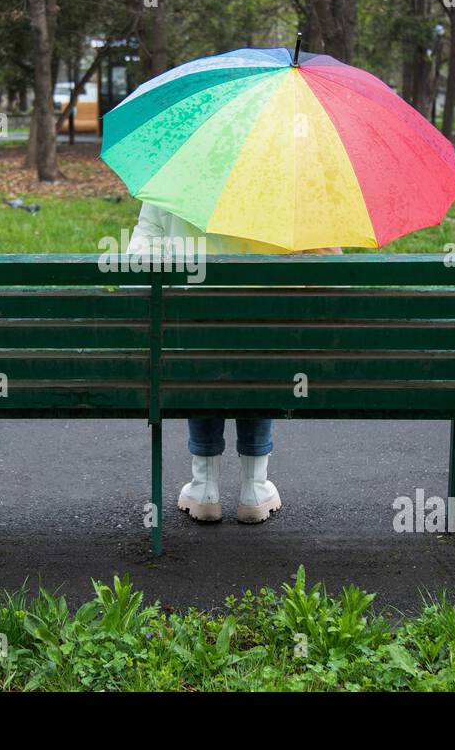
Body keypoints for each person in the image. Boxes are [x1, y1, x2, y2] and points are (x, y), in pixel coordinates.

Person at [125, 201, 341, 525]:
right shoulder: (284, 184)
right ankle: (254, 487)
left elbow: (134, 270)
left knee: (199, 346)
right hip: (263, 346)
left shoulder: (170, 184)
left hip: (189, 344)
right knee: (260, 347)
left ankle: (203, 488)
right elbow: (329, 271)